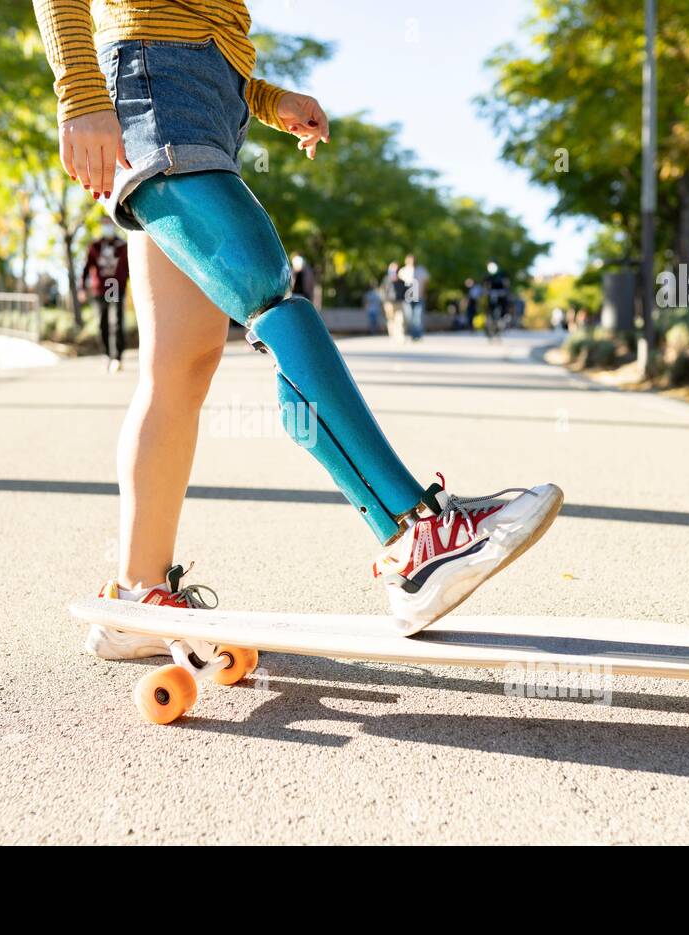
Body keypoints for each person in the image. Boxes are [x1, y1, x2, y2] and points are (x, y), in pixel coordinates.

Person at [34, 0, 562, 655]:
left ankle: (137, 595)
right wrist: (82, 94)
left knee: (181, 362)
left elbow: (207, 20)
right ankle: (413, 536)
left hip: (204, 98)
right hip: (148, 87)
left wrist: (262, 97)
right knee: (266, 289)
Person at [82, 218, 131, 372]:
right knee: (102, 324)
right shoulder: (95, 246)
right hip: (100, 289)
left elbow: (131, 267)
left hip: (116, 287)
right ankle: (107, 355)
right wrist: (82, 287)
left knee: (117, 321)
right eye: (105, 224)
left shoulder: (122, 246)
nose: (107, 227)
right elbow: (86, 268)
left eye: (110, 224)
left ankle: (117, 357)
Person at [400, 254, 428, 340]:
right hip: (407, 297)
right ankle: (413, 334)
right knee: (409, 316)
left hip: (419, 296)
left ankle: (418, 335)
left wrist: (425, 292)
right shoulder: (403, 271)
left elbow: (426, 282)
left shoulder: (421, 270)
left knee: (418, 316)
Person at [382, 260, 407, 343]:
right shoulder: (386, 280)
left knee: (400, 319)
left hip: (399, 302)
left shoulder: (401, 281)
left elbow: (405, 291)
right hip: (389, 303)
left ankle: (400, 336)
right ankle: (392, 336)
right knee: (391, 320)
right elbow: (383, 291)